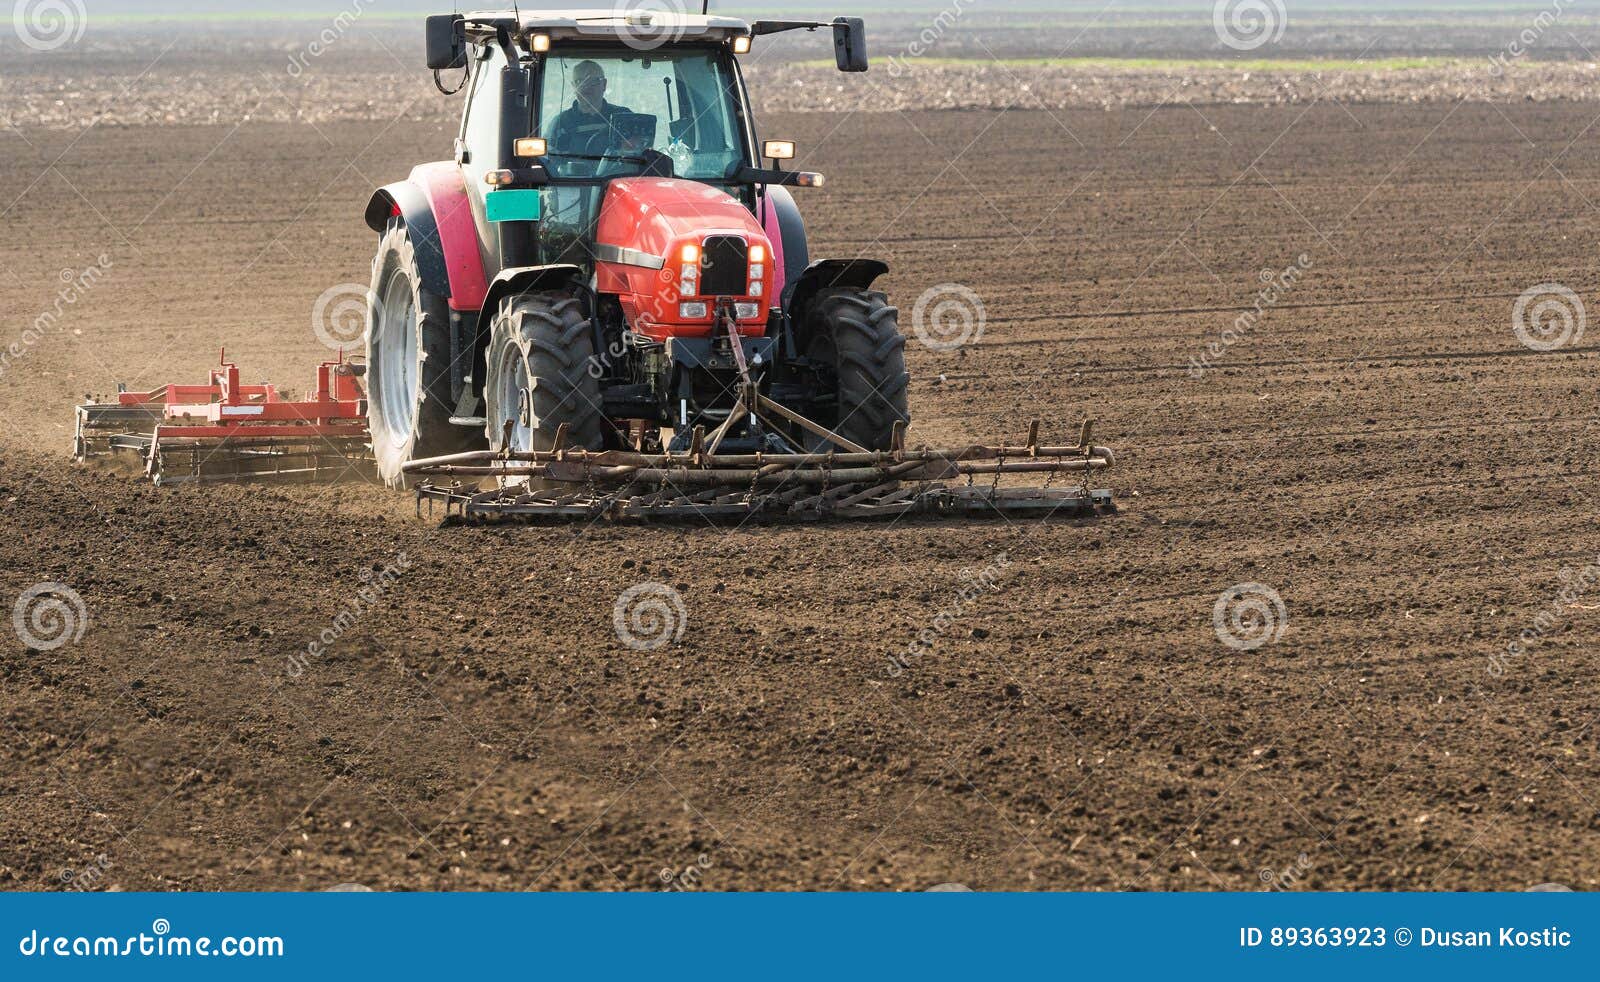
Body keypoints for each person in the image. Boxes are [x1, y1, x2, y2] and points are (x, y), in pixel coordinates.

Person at [547, 60, 635, 162]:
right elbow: (549, 163)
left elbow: (641, 154)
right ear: (573, 87)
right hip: (570, 178)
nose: (586, 86)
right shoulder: (560, 122)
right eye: (580, 81)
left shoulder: (624, 117)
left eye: (593, 81)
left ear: (604, 84)